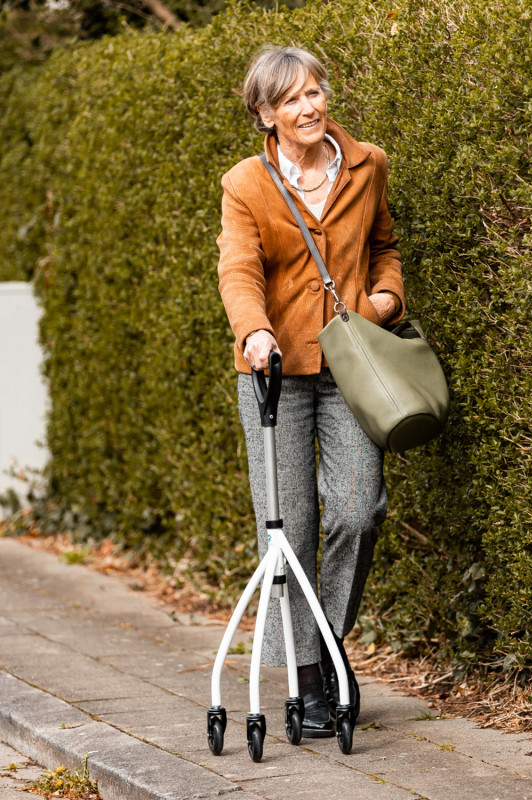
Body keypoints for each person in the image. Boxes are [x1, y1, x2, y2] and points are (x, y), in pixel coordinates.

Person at [216, 45, 405, 738]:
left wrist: (385, 297)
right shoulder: (246, 182)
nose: (309, 106)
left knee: (359, 509)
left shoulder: (367, 165)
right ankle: (308, 679)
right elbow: (238, 270)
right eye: (291, 98)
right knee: (288, 532)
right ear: (265, 113)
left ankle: (323, 646)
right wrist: (254, 333)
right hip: (274, 376)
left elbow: (385, 246)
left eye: (315, 91)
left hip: (352, 367)